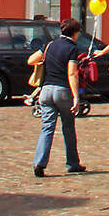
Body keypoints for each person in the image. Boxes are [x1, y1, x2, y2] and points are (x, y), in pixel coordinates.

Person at [29, 18, 86, 177]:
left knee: (47, 128)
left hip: (46, 90)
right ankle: (72, 163)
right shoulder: (72, 48)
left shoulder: (49, 45)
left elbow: (31, 60)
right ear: (75, 33)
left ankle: (39, 163)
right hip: (62, 90)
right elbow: (72, 73)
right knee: (68, 127)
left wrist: (45, 62)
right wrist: (76, 97)